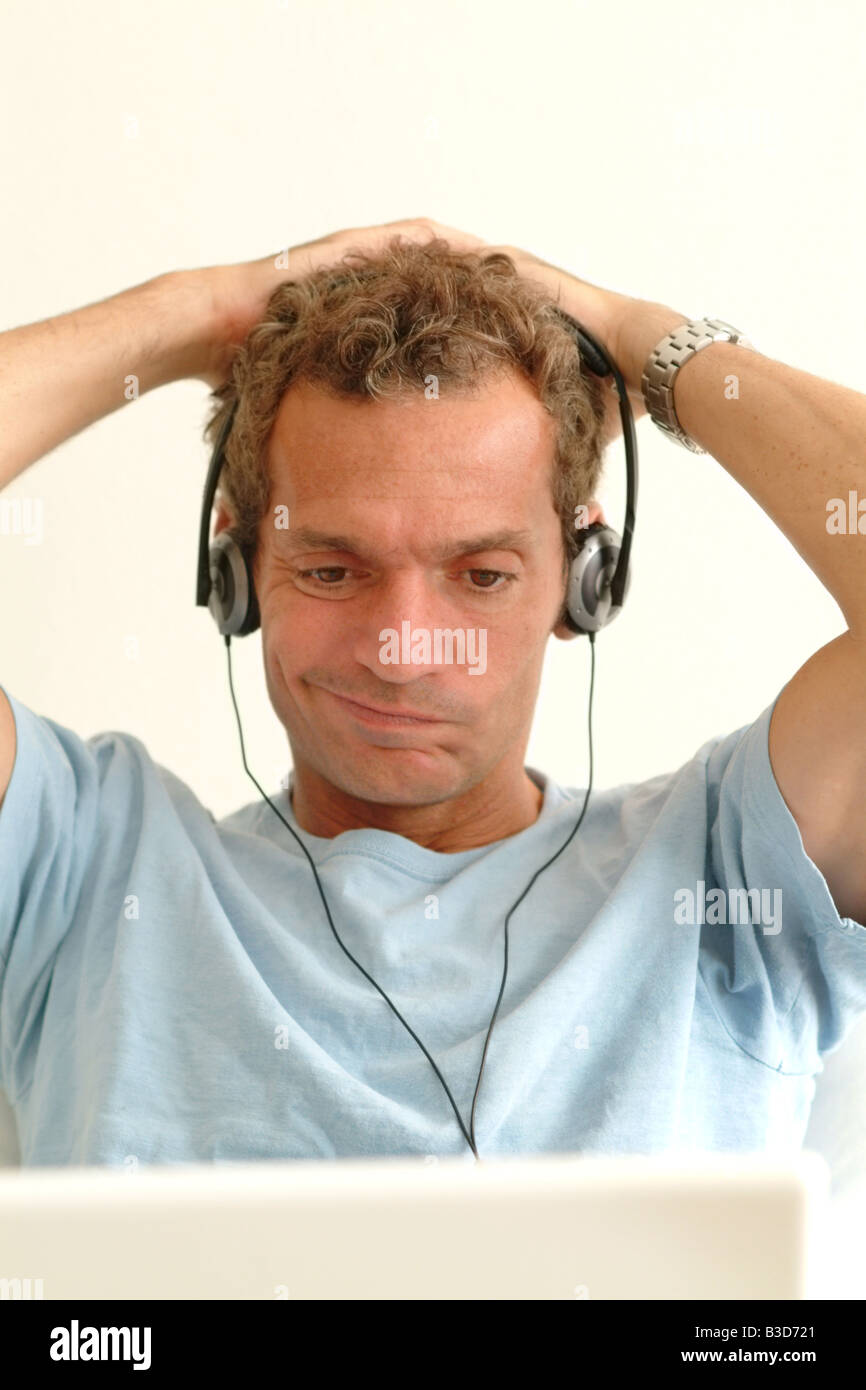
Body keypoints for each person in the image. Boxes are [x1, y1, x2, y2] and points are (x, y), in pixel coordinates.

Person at [0, 218, 864, 1168]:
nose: (405, 650)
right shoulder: (77, 870)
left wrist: (641, 342)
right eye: (332, 571)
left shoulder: (728, 881)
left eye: (482, 574)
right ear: (237, 567)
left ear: (585, 580)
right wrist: (191, 314)